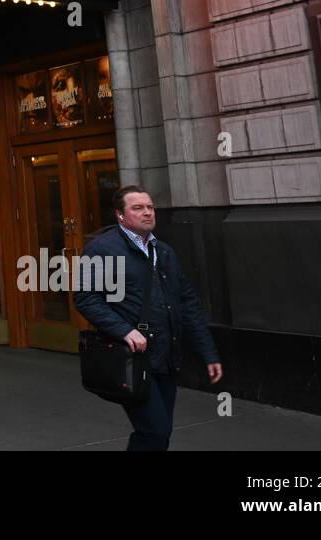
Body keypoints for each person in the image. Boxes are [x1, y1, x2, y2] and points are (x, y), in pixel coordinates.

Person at [73, 185, 223, 451]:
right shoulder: (101, 250)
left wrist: (208, 353)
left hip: (166, 355)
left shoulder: (163, 251)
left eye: (150, 207)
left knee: (158, 432)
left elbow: (187, 303)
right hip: (132, 357)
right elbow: (86, 298)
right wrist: (124, 331)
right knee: (155, 431)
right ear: (120, 215)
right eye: (137, 208)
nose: (147, 213)